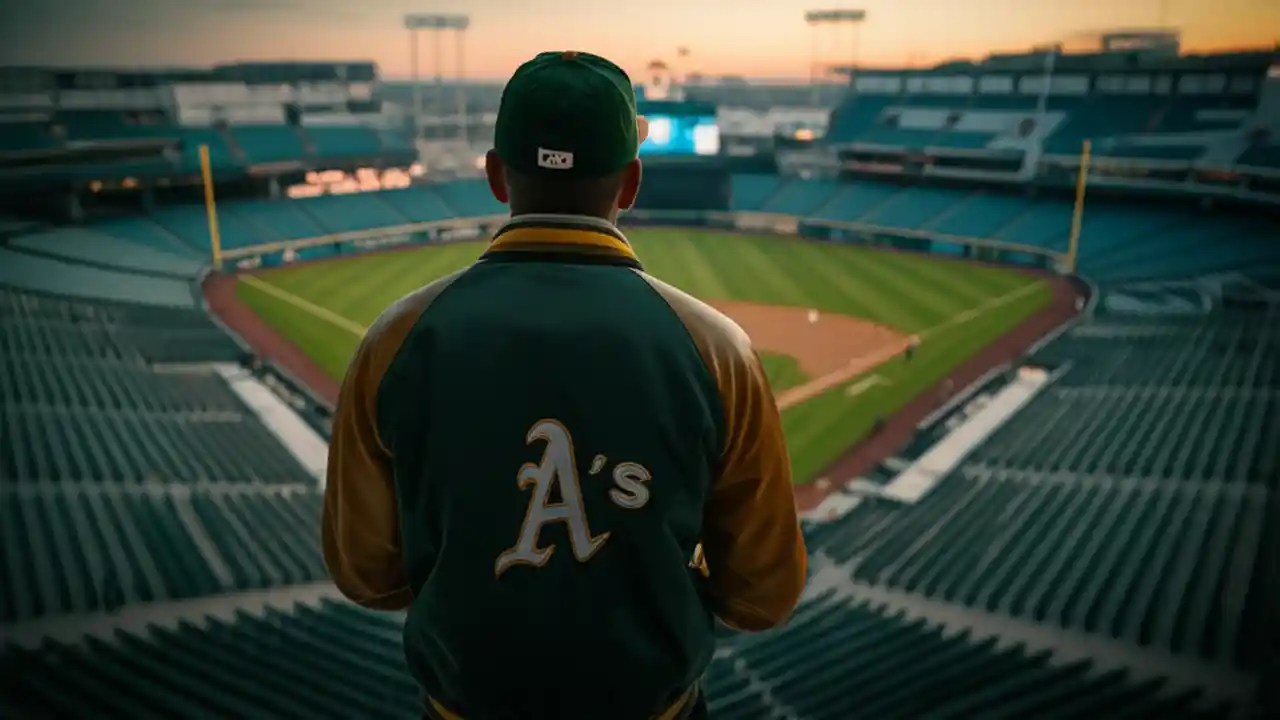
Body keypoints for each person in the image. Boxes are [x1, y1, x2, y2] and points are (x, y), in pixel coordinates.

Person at [322, 51, 807, 720]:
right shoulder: (717, 348)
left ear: (495, 175)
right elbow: (761, 599)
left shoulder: (395, 340)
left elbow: (365, 575)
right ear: (631, 183)